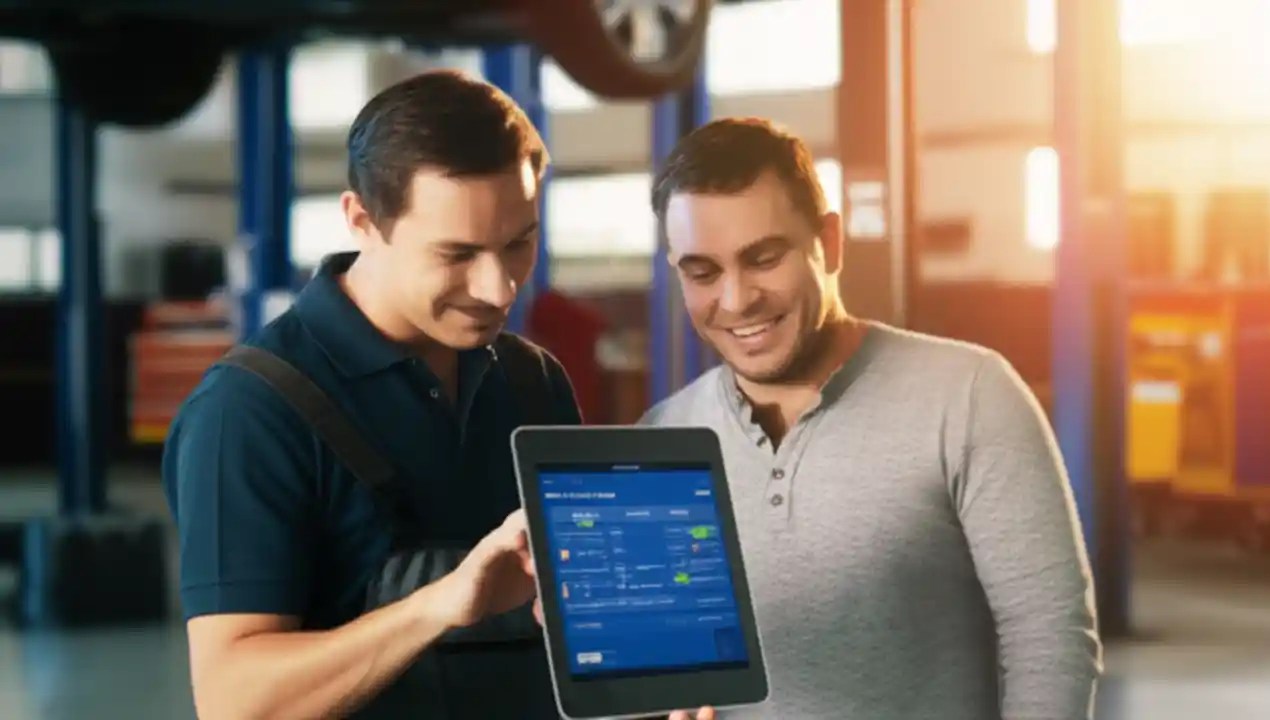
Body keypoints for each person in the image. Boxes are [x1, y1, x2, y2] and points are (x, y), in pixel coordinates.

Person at [163, 69, 710, 720]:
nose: (499, 287)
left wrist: (653, 682)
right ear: (362, 220)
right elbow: (236, 701)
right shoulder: (249, 411)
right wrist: (440, 603)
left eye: (519, 242)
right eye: (456, 254)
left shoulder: (533, 381)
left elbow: (575, 624)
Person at [640, 118, 1103, 719]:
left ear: (828, 243)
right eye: (702, 272)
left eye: (764, 258)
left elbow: (1050, 638)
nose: (735, 300)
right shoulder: (662, 436)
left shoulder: (967, 397)